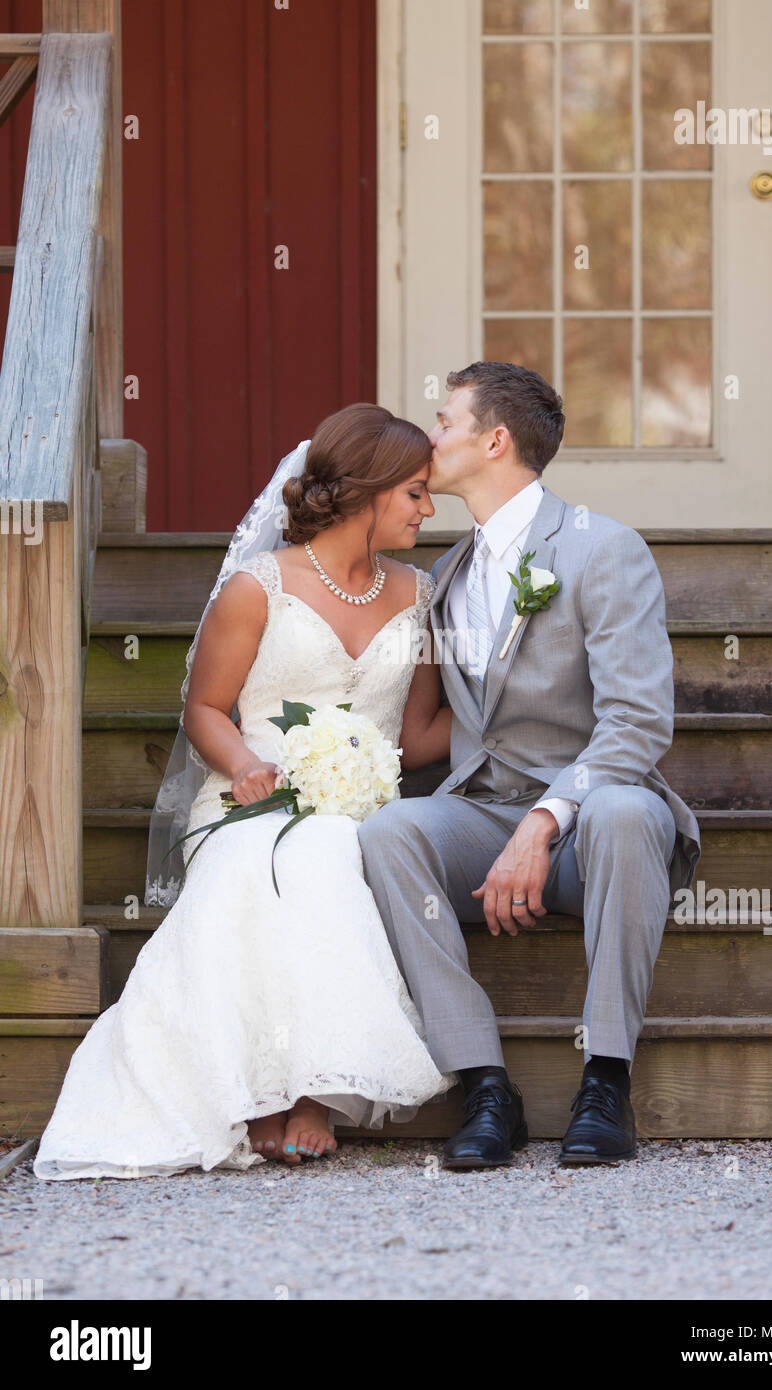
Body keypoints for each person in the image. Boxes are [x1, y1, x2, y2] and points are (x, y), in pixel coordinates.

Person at [34, 403, 458, 1180]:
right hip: (247, 791)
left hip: (359, 804)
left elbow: (418, 737)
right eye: (416, 494)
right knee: (251, 861)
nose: (428, 511)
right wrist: (244, 766)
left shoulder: (423, 596)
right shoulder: (257, 588)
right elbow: (204, 708)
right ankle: (252, 1085)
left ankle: (314, 1093)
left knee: (331, 849)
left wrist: (512, 723)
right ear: (366, 491)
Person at [357, 362, 702, 1169]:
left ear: (495, 440)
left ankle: (606, 1082)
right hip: (482, 813)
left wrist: (546, 821)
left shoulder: (602, 550)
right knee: (389, 833)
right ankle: (483, 1086)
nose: (429, 437)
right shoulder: (443, 577)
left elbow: (639, 722)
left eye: (444, 422)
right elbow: (434, 729)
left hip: (593, 826)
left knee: (621, 812)